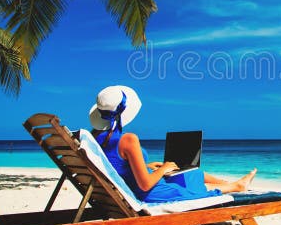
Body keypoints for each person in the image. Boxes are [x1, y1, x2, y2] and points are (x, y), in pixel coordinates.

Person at [88, 85, 257, 203]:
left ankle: (231, 183)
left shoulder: (95, 137)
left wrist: (146, 165)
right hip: (149, 194)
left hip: (131, 187)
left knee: (190, 174)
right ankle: (236, 185)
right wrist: (162, 169)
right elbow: (145, 184)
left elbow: (115, 164)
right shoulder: (128, 139)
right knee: (190, 188)